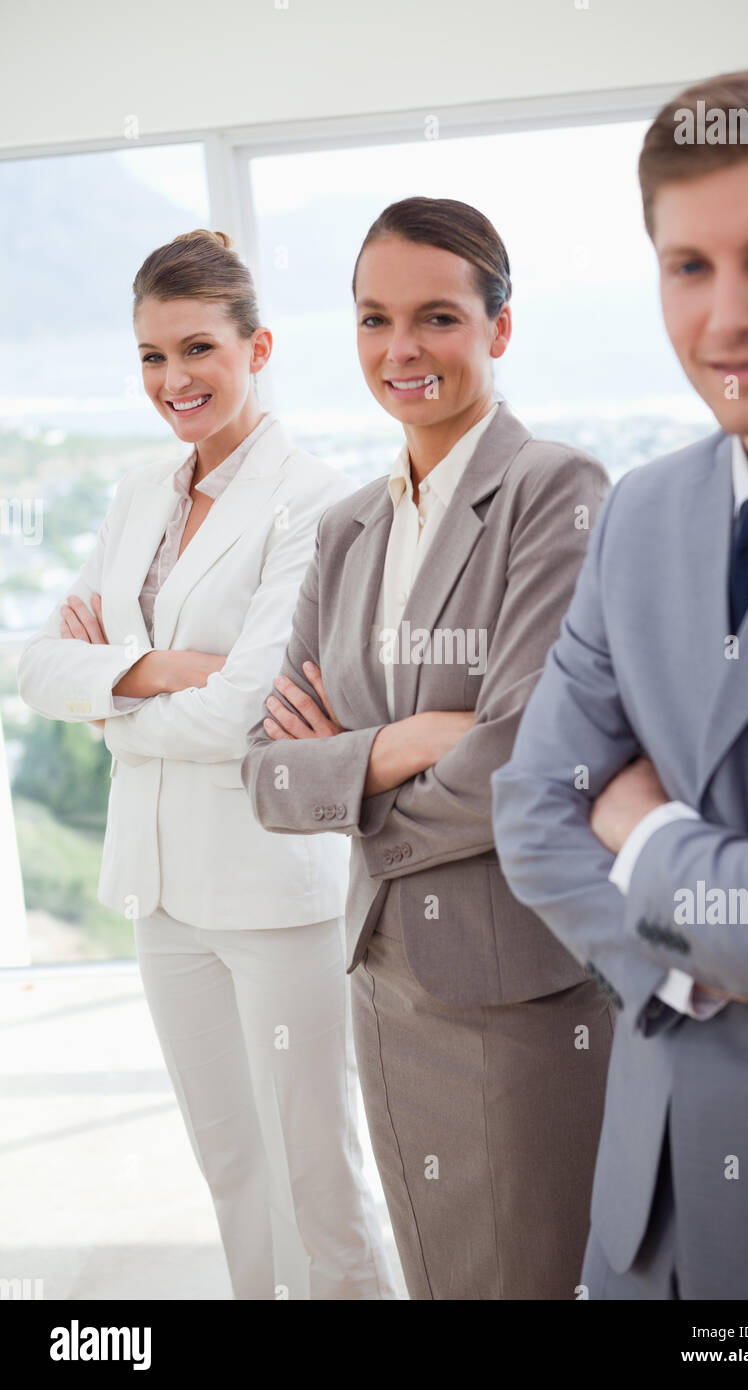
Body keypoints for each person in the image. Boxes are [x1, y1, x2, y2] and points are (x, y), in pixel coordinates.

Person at [492, 64, 748, 1300]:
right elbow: (535, 809)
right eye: (687, 267)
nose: (725, 317)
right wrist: (681, 960)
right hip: (644, 1205)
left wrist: (642, 831)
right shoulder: (642, 512)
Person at [242, 197, 614, 1299]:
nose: (400, 350)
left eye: (436, 318)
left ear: (497, 328)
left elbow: (518, 762)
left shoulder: (552, 490)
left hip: (513, 990)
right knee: (433, 1270)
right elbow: (262, 772)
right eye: (372, 319)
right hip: (382, 975)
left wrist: (344, 767)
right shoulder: (346, 526)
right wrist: (402, 741)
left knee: (528, 1277)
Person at [17, 229, 396, 1302]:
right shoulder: (139, 491)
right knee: (230, 1167)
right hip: (159, 889)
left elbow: (249, 710)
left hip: (276, 895)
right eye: (150, 356)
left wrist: (115, 689)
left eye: (196, 349)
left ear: (256, 346)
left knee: (316, 1174)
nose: (173, 379)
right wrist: (154, 672)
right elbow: (42, 665)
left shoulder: (314, 497)